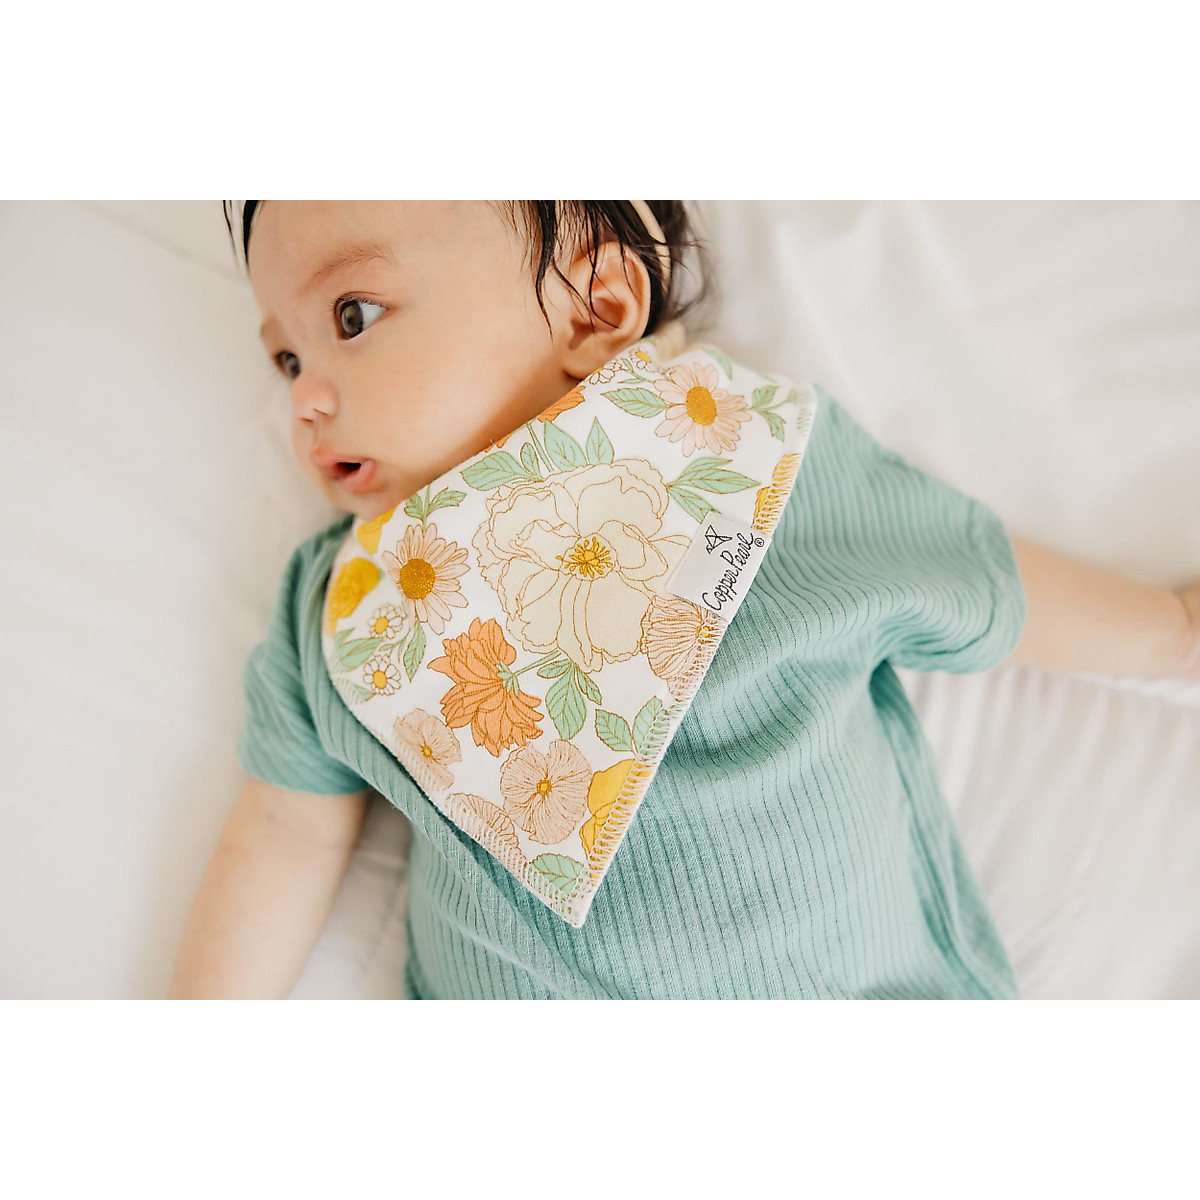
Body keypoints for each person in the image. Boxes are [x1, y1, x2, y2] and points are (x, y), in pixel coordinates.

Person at [168, 201, 1200, 999]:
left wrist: (1172, 635)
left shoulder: (742, 461)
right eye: (286, 356)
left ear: (596, 310)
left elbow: (969, 582)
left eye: (352, 317)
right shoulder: (347, 610)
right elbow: (284, 828)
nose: (304, 396)